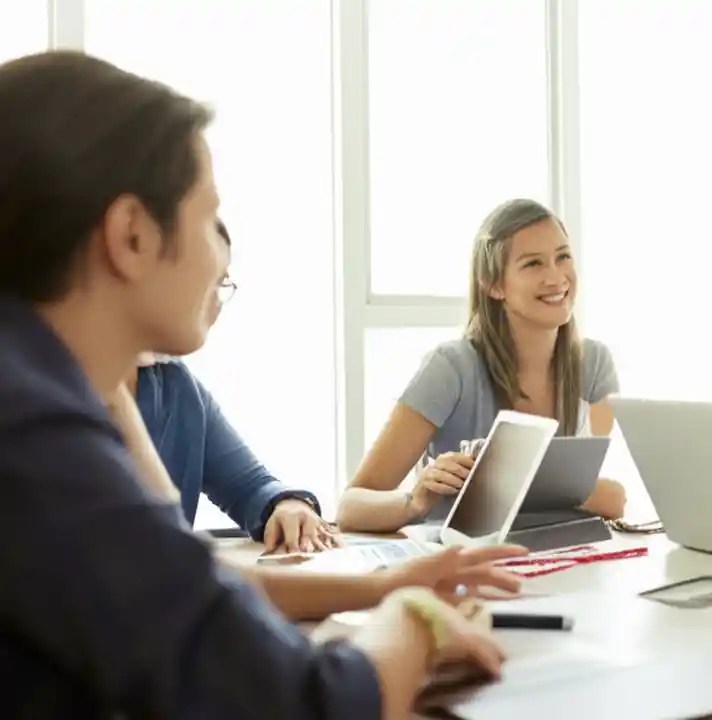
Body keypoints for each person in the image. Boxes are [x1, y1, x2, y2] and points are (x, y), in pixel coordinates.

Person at [0, 50, 509, 716]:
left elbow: (177, 577)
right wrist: (418, 620)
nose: (221, 259)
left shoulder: (42, 388)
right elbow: (304, 705)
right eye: (210, 218)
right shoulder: (34, 432)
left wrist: (381, 586)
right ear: (132, 235)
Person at [338, 198, 626, 532]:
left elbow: (605, 497)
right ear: (493, 285)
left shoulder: (594, 365)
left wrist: (520, 476)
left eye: (563, 257)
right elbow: (351, 507)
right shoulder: (451, 368)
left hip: (555, 553)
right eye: (533, 264)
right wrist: (415, 501)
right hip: (462, 555)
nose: (556, 277)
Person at [124, 219, 333, 554]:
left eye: (223, 283)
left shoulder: (177, 387)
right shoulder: (54, 390)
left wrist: (287, 504)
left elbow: (249, 486)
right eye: (211, 279)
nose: (217, 302)